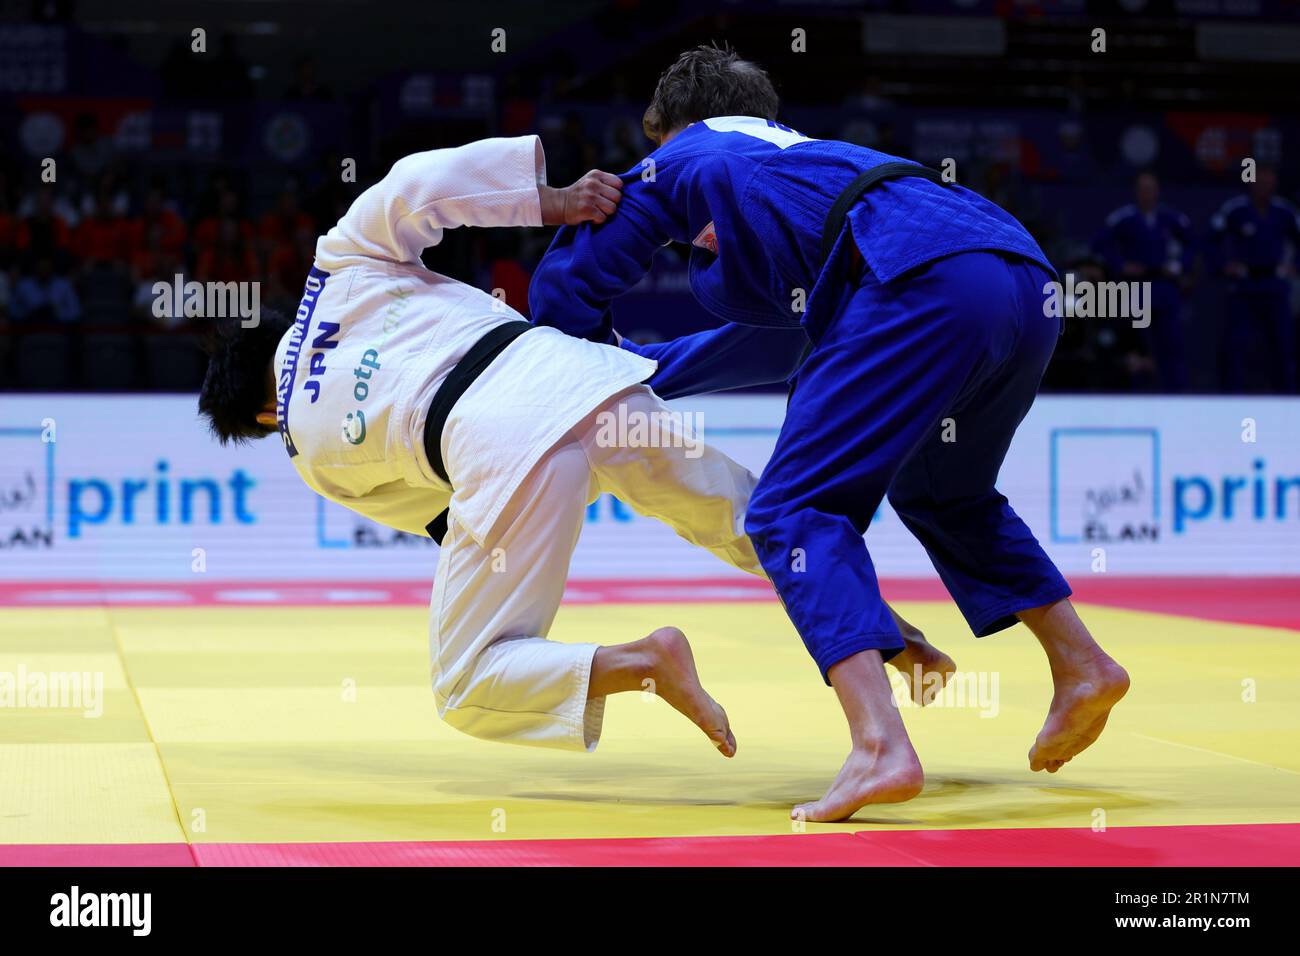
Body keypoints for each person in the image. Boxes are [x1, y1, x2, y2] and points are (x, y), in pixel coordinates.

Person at [197, 135, 950, 759]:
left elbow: (449, 515)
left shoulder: (306, 452)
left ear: (262, 416)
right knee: (751, 520)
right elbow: (415, 184)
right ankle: (879, 624)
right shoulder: (337, 270)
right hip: (580, 376)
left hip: (496, 445)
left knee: (466, 683)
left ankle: (643, 664)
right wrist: (550, 200)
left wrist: (548, 502)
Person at [529, 46, 1129, 821]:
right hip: (1014, 275)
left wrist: (567, 369)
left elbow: (564, 285)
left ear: (670, 128)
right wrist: (635, 373)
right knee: (945, 490)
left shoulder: (683, 158)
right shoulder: (806, 163)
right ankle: (1081, 664)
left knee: (791, 512)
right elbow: (783, 341)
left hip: (918, 286)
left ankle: (880, 745)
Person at [1092, 171, 1193, 391]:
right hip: (1137, 289)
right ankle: (1138, 394)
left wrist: (1179, 266)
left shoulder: (1171, 218)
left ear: (1157, 191)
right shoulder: (1124, 218)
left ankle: (1178, 395)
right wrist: (1120, 265)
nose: (1147, 194)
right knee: (1137, 346)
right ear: (1136, 192)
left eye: (1151, 189)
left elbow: (1192, 245)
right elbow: (1100, 245)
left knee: (1172, 345)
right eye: (1143, 189)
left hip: (1164, 288)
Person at [1210, 166, 1300, 393]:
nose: (1264, 186)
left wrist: (1295, 267)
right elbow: (1211, 240)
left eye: (1269, 181)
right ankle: (1231, 397)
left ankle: (1287, 398)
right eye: (1260, 180)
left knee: (1283, 346)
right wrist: (1223, 266)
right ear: (1251, 182)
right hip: (1245, 286)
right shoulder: (1236, 209)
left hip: (1275, 285)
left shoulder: (1285, 212)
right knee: (1235, 346)